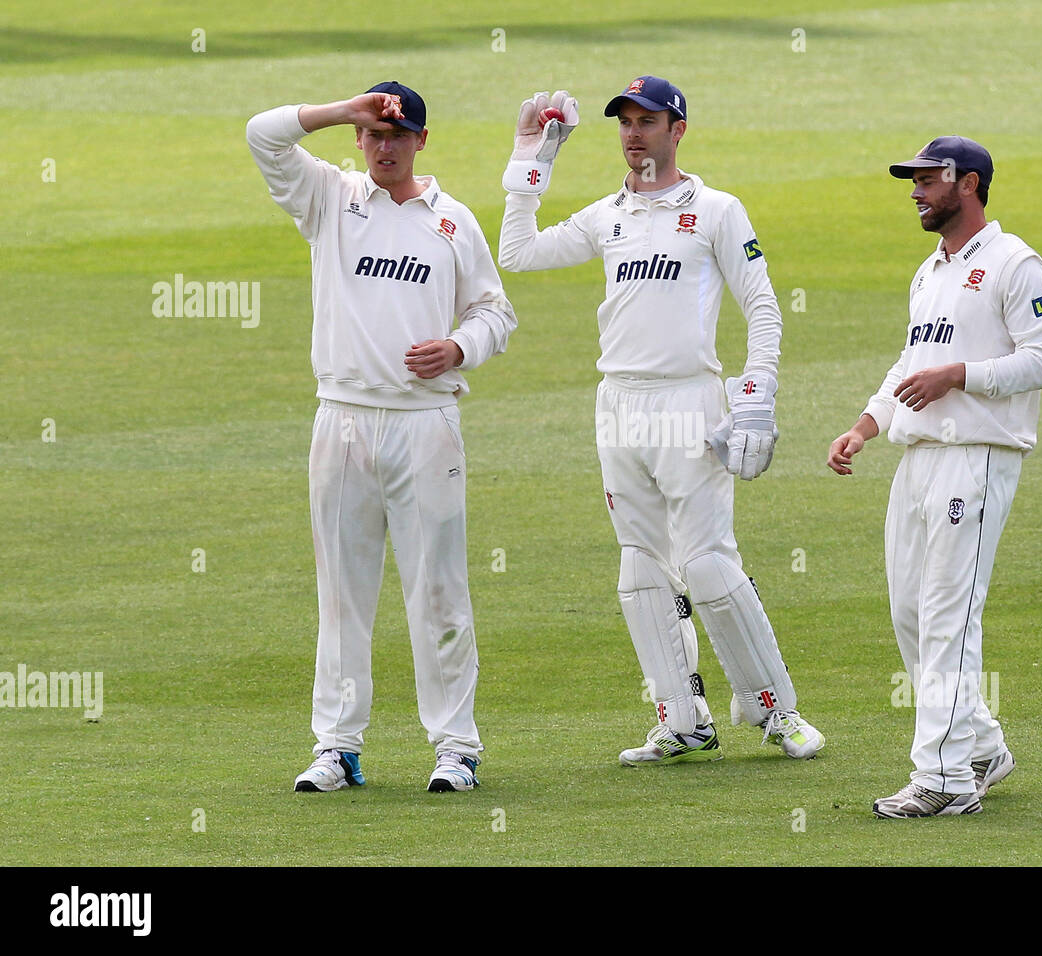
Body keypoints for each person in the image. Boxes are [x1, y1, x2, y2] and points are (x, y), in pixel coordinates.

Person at [497, 77, 824, 765]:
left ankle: (777, 713)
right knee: (641, 568)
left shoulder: (715, 211)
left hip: (689, 401)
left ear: (678, 130)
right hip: (619, 402)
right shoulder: (606, 215)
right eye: (625, 122)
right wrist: (533, 160)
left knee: (706, 564)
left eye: (649, 121)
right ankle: (681, 720)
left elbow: (762, 307)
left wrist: (756, 402)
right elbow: (518, 253)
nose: (634, 133)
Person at [246, 81, 517, 794]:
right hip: (341, 420)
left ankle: (455, 748)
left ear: (422, 141)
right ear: (359, 140)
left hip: (426, 424)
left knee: (439, 592)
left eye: (398, 135)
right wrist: (342, 110)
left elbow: (495, 313)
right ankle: (336, 747)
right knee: (342, 592)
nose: (384, 147)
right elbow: (261, 134)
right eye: (373, 135)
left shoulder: (451, 221)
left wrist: (459, 349)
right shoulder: (329, 199)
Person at [827, 136, 1042, 817]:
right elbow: (910, 363)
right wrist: (864, 427)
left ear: (970, 184)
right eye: (915, 179)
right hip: (917, 458)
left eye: (929, 179)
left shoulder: (1016, 263)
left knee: (947, 617)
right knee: (911, 614)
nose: (916, 190)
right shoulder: (929, 271)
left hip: (978, 458)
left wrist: (962, 376)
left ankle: (946, 778)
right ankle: (982, 746)